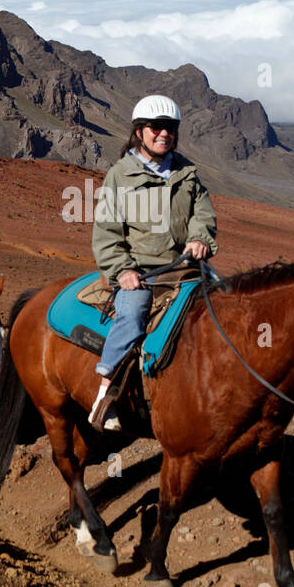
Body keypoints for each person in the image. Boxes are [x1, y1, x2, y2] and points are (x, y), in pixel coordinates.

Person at [90, 95, 218, 431]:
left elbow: (201, 214)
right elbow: (107, 231)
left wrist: (199, 238)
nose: (164, 134)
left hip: (186, 265)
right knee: (132, 315)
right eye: (156, 127)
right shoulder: (120, 175)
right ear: (139, 132)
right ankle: (105, 395)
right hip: (142, 271)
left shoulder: (187, 171)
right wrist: (123, 271)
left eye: (170, 128)